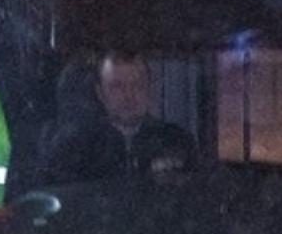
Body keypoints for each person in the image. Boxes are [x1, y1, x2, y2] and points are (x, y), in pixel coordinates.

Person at [38, 51, 197, 183]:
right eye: (117, 87)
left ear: (150, 88)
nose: (129, 96)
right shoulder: (74, 149)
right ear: (100, 93)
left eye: (137, 85)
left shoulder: (176, 141)